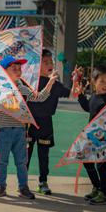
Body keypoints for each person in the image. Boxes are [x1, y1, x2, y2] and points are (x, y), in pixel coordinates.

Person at [0, 55, 58, 199]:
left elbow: (39, 97)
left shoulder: (22, 87)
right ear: (4, 71)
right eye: (13, 68)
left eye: (19, 68)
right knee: (2, 161)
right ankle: (1, 186)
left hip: (20, 130)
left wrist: (50, 82)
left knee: (21, 161)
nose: (17, 70)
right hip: (3, 130)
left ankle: (23, 187)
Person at [75, 64, 106, 205]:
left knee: (101, 166)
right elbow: (87, 107)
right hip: (92, 137)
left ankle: (105, 194)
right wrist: (80, 95)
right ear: (93, 82)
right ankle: (97, 187)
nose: (105, 84)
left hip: (105, 138)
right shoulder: (95, 97)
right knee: (87, 162)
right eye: (102, 81)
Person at [26, 49, 73, 195]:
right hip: (29, 123)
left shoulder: (56, 84)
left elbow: (72, 93)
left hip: (46, 123)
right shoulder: (29, 82)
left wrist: (76, 79)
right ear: (36, 65)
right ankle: (23, 182)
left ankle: (43, 181)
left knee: (43, 155)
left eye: (51, 61)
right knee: (26, 154)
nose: (50, 64)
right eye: (45, 62)